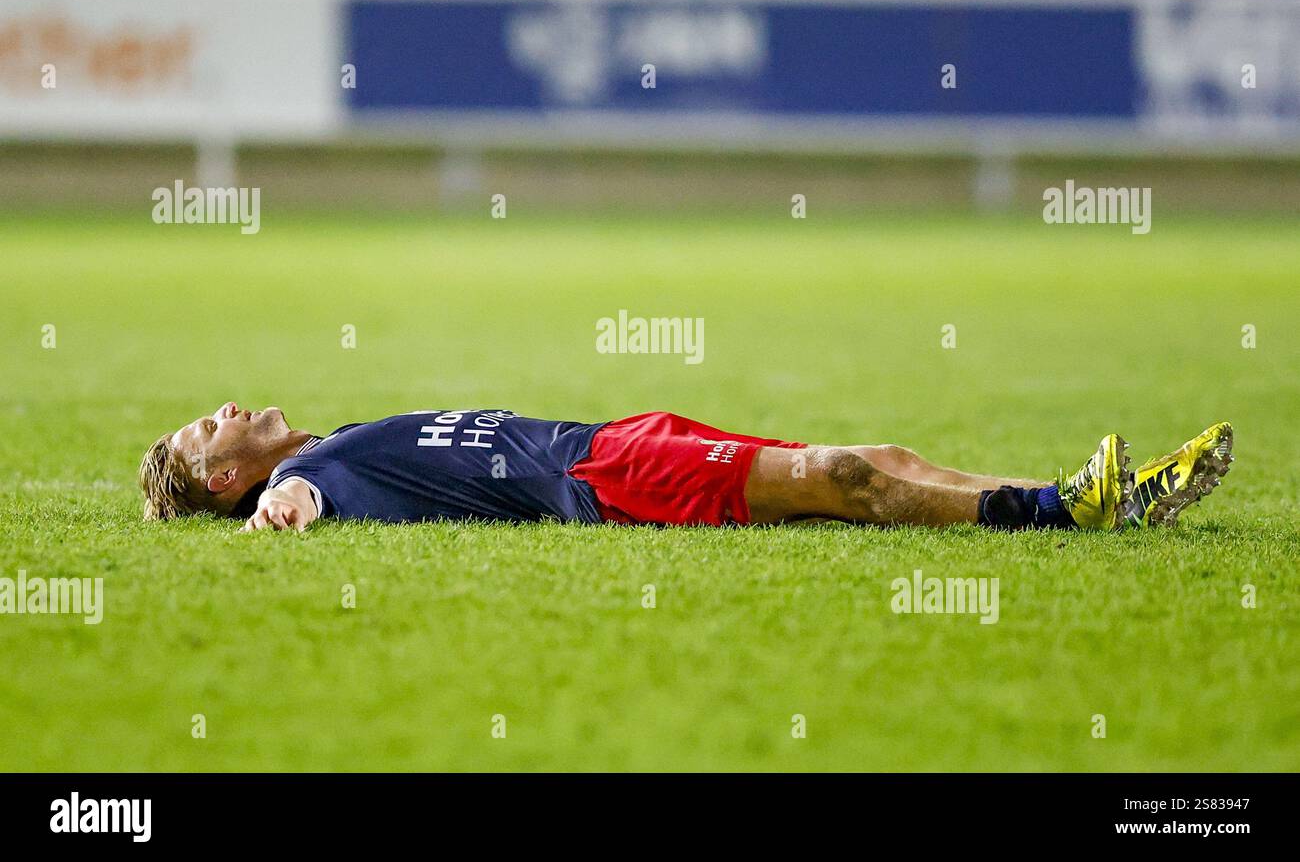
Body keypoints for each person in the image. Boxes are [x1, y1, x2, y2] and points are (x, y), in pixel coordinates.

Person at [138, 403, 1232, 534]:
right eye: (205, 432)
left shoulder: (334, 437)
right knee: (838, 471)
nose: (223, 410)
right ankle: (1057, 513)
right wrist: (283, 506)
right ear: (227, 478)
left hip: (611, 437)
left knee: (883, 456)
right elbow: (307, 501)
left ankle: (1105, 496)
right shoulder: (315, 476)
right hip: (608, 478)